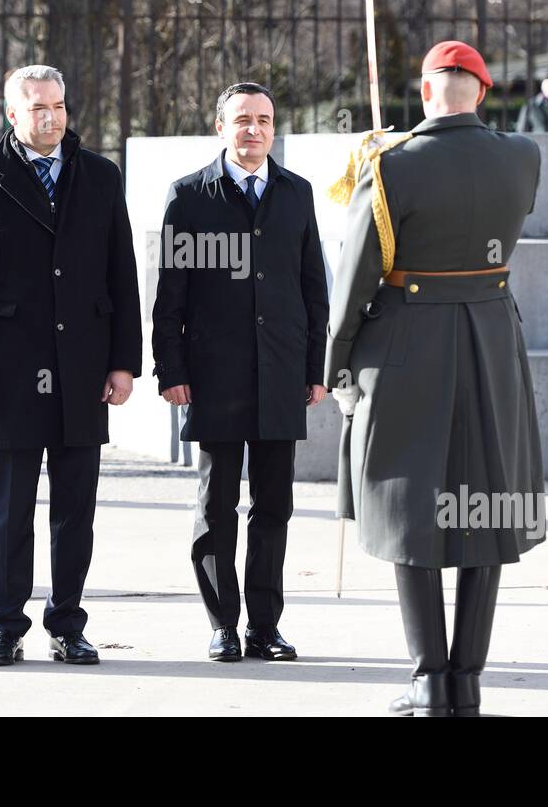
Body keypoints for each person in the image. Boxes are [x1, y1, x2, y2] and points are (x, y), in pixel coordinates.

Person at [326, 40, 544, 717]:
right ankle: (467, 680)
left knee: (407, 507)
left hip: (406, 340)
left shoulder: (390, 166)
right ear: (482, 91)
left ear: (424, 92)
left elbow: (358, 269)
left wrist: (337, 361)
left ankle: (428, 681)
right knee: (491, 504)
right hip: (491, 336)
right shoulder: (523, 156)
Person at [0, 65, 142, 667]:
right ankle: (7, 624)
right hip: (6, 373)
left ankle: (68, 623)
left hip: (83, 368)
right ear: (12, 114)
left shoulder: (101, 177)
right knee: (9, 509)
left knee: (75, 508)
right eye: (37, 108)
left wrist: (124, 363)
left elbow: (122, 274)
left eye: (58, 105)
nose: (51, 117)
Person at [151, 82, 328, 663]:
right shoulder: (190, 196)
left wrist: (314, 368)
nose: (254, 129)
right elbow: (169, 296)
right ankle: (223, 623)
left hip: (280, 374)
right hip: (214, 375)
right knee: (215, 505)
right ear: (221, 128)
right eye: (243, 120)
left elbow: (313, 289)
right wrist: (170, 368)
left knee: (273, 506)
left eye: (264, 120)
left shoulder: (296, 194)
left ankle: (266, 627)